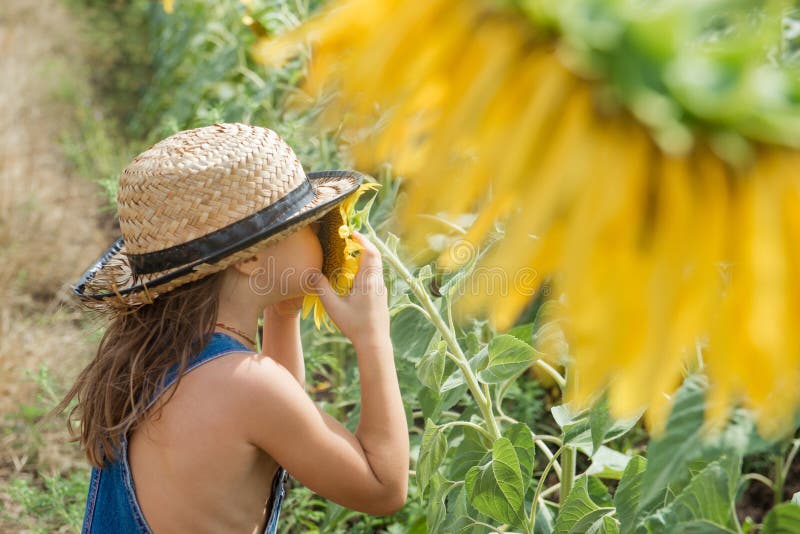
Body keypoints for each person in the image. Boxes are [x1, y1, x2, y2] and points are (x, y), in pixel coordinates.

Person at [56, 123, 410, 533]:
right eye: (311, 224)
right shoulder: (250, 388)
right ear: (249, 260)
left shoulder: (157, 354)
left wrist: (283, 310)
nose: (328, 232)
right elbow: (383, 488)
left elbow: (280, 421)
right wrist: (372, 337)